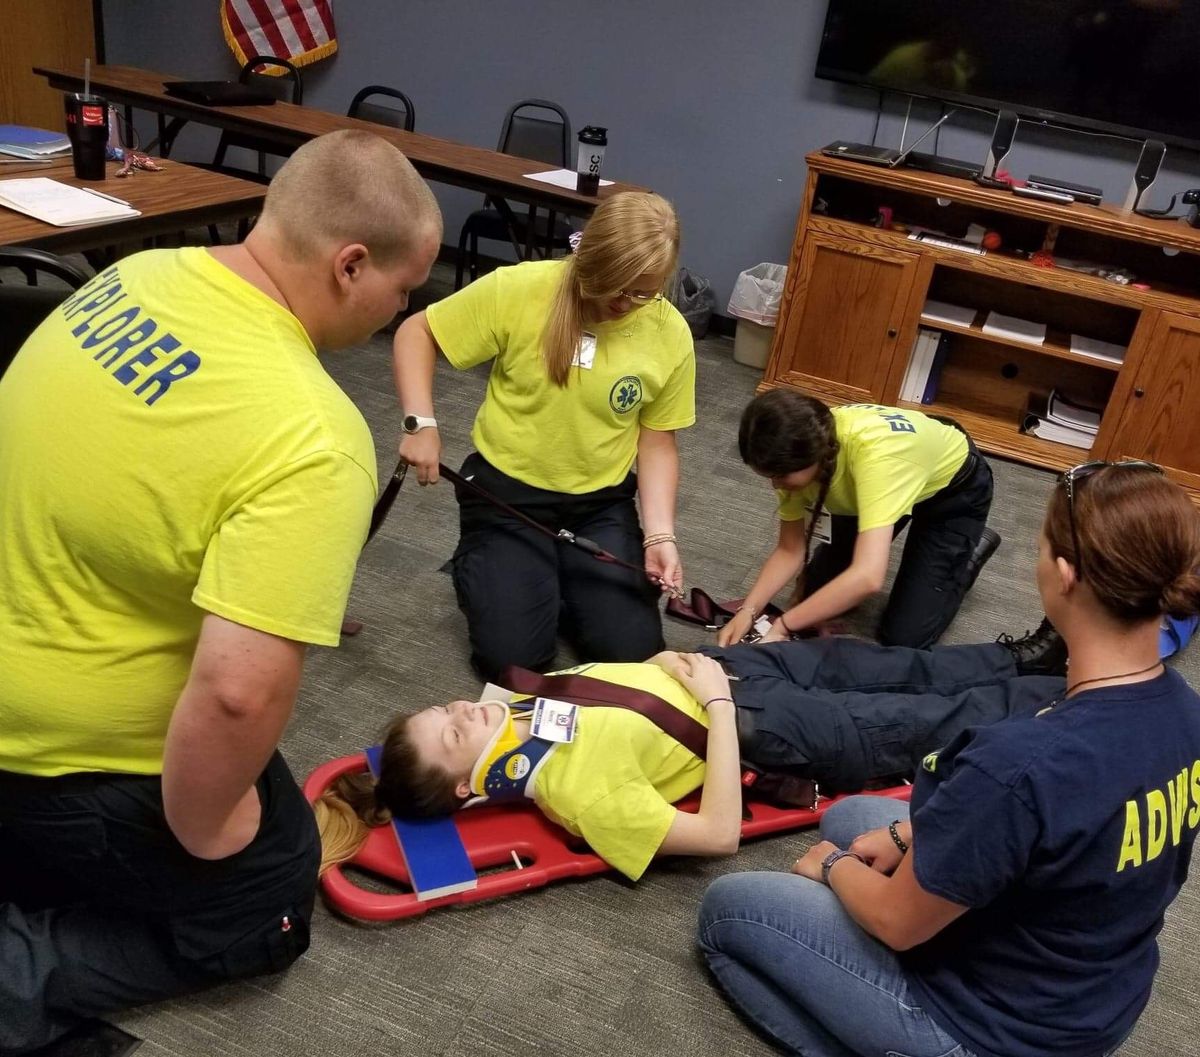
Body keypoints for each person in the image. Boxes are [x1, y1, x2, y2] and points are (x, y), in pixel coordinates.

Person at [0, 129, 442, 1053]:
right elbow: (238, 695)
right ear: (351, 265)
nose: (409, 306)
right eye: (405, 289)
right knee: (269, 901)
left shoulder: (138, 274)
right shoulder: (315, 438)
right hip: (50, 758)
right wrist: (206, 829)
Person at [698, 461, 1200, 1057]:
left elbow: (897, 923)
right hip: (1091, 999)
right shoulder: (1184, 710)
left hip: (990, 1031)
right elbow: (1063, 826)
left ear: (1064, 575)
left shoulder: (1017, 765)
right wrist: (910, 835)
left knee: (730, 912)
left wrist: (833, 869)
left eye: (1039, 549)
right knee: (854, 817)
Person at [315, 633, 1065, 884]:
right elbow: (718, 836)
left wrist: (665, 659)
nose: (462, 712)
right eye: (453, 733)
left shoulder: (513, 713)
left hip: (727, 667)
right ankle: (1078, 689)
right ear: (470, 791)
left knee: (901, 663)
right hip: (762, 725)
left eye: (444, 709)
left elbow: (613, 694)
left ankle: (1029, 653)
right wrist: (718, 705)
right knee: (939, 716)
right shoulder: (577, 794)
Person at [391, 191, 694, 681]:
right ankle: (503, 570)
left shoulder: (668, 331)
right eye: (614, 287)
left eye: (643, 293)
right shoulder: (523, 287)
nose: (624, 304)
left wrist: (661, 534)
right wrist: (420, 423)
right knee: (513, 663)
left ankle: (553, 579)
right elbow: (417, 333)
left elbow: (657, 441)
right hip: (506, 496)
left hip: (599, 505)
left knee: (632, 655)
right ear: (586, 258)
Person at [719, 389, 1000, 651]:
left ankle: (967, 555)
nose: (775, 486)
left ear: (814, 457)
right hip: (877, 485)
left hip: (951, 490)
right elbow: (790, 550)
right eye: (769, 476)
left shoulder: (875, 459)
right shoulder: (799, 449)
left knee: (905, 638)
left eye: (780, 476)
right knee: (816, 593)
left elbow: (868, 578)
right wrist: (749, 610)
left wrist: (783, 625)